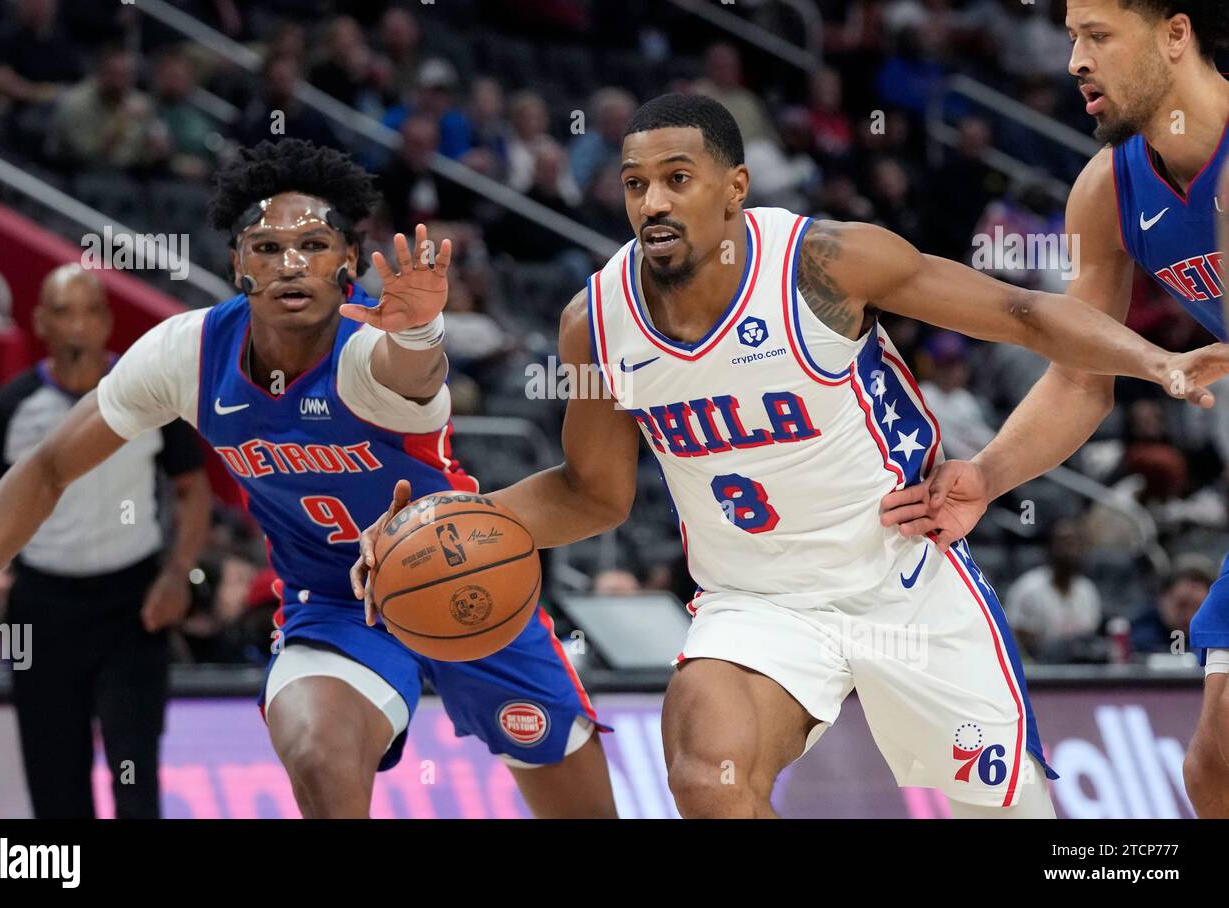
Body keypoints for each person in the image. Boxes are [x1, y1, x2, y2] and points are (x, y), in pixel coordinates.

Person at [351, 93, 1229, 819]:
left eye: (676, 179)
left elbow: (1024, 314)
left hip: (904, 577)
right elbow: (594, 494)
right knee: (706, 779)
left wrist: (1157, 360)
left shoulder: (826, 263)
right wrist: (448, 523)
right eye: (633, 185)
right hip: (756, 602)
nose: (652, 203)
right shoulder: (596, 321)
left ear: (733, 187)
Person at [0, 139, 615, 819]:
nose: (291, 263)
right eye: (265, 247)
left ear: (349, 262)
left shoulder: (371, 354)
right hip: (336, 605)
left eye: (315, 245)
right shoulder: (187, 354)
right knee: (319, 753)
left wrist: (419, 335)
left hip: (463, 578)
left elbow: (414, 374)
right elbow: (46, 468)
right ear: (237, 264)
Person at [879, 0, 1229, 819]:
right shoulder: (1106, 193)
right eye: (1073, 36)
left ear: (1175, 35)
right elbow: (1080, 376)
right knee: (1214, 766)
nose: (1074, 59)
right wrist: (987, 478)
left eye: (1098, 36)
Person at [0, 263, 211, 817]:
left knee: (136, 784)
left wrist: (178, 572)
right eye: (63, 312)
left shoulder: (147, 395)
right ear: (40, 323)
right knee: (56, 790)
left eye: (89, 311)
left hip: (132, 608)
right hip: (42, 609)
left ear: (108, 321)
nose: (78, 326)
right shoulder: (12, 406)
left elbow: (193, 490)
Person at [1003, 519, 1102, 661]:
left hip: (1080, 671)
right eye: (1065, 542)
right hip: (1040, 672)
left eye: (1076, 543)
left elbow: (1089, 638)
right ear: (1049, 547)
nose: (1071, 549)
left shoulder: (1087, 590)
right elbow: (1018, 638)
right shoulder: (1028, 588)